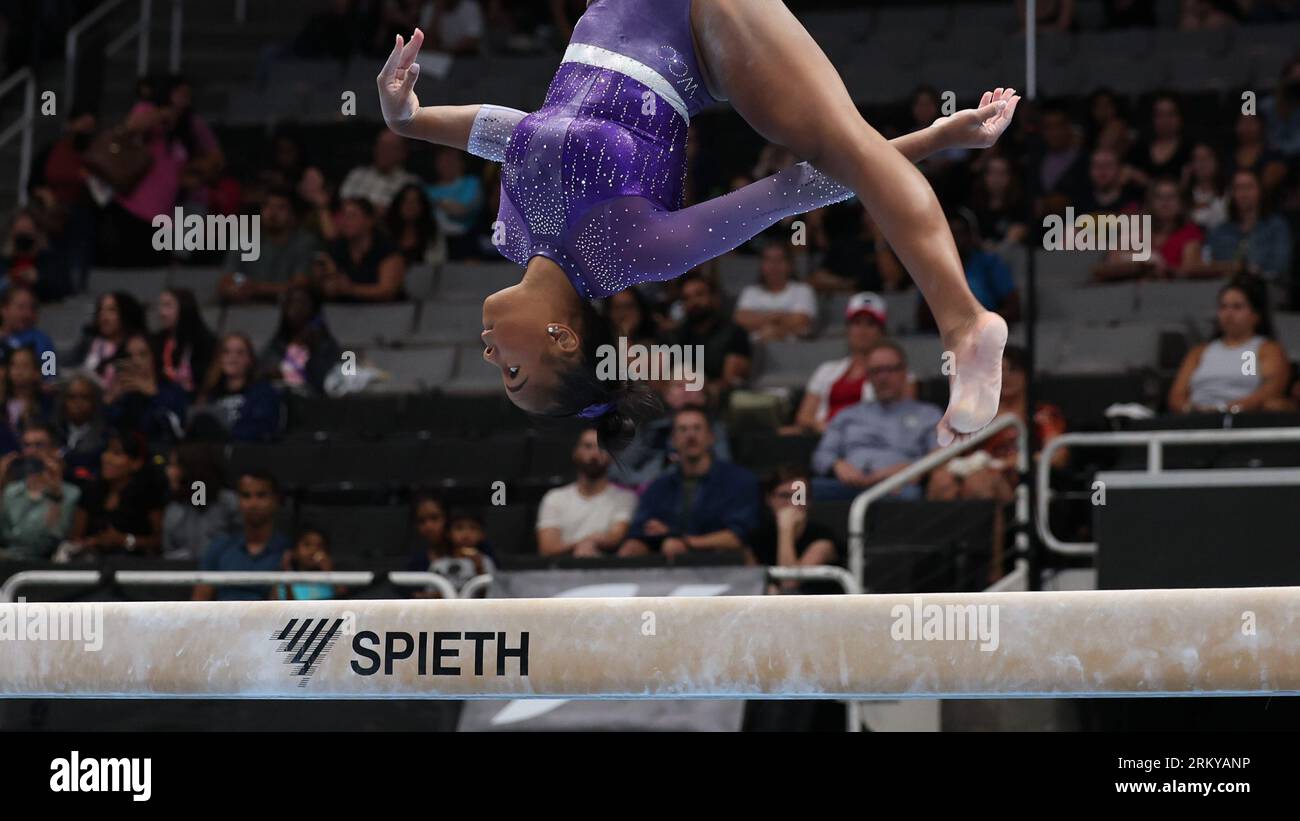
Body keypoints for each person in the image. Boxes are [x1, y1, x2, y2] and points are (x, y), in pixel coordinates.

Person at [377, 11, 1019, 451]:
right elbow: (794, 190)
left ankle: (966, 327)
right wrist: (935, 138)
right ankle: (965, 325)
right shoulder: (629, 255)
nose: (490, 356)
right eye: (511, 373)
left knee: (848, 147)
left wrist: (410, 118)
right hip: (701, 27)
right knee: (840, 145)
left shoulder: (514, 235)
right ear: (562, 339)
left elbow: (507, 131)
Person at [810, 340, 943, 501]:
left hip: (897, 484)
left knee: (909, 495)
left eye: (890, 369)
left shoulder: (928, 414)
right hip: (847, 485)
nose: (883, 377)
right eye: (876, 371)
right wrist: (837, 465)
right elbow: (821, 455)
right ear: (868, 376)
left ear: (904, 372)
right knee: (801, 493)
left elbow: (939, 455)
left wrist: (910, 469)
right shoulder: (848, 415)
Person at [618, 407, 759, 558]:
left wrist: (682, 541)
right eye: (683, 429)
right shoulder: (659, 487)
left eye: (697, 428)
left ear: (711, 437)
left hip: (725, 566)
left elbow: (737, 536)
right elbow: (641, 530)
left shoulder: (739, 481)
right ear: (673, 440)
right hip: (670, 570)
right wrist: (635, 546)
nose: (690, 435)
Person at [790, 292, 916, 435]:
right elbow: (804, 416)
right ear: (847, 329)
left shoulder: (898, 373)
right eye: (856, 323)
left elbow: (905, 415)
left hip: (872, 440)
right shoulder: (826, 370)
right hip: (824, 438)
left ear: (882, 332)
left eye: (871, 324)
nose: (863, 330)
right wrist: (823, 427)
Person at [1167, 277, 1296, 414]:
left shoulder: (1266, 350)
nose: (1228, 314)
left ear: (1256, 315)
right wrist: (1191, 409)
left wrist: (1230, 408)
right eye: (1223, 307)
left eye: (1237, 307)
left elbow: (1271, 390)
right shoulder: (1199, 352)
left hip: (1243, 419)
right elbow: (1177, 395)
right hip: (1198, 418)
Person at [536, 428, 637, 557]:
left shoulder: (625, 498)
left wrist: (589, 544)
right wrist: (583, 544)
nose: (594, 454)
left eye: (601, 448)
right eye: (587, 446)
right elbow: (548, 548)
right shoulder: (554, 498)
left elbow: (615, 537)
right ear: (575, 452)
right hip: (562, 571)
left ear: (612, 457)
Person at [193, 470, 290, 601]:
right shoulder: (219, 547)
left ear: (276, 500)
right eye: (246, 496)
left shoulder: (289, 550)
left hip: (269, 619)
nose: (253, 504)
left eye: (261, 495)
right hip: (222, 619)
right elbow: (199, 602)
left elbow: (292, 609)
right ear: (238, 501)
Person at [70, 430, 165, 557]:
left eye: (117, 453)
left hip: (136, 565)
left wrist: (124, 540)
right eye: (107, 451)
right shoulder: (91, 490)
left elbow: (159, 542)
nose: (107, 458)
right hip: (92, 563)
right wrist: (91, 543)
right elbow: (75, 538)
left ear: (136, 463)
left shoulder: (149, 494)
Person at [217, 187, 319, 303]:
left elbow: (300, 285)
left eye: (281, 208)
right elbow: (227, 280)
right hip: (246, 307)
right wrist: (237, 284)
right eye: (267, 206)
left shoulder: (304, 242)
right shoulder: (245, 239)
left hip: (286, 309)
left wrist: (257, 288)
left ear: (293, 215)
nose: (272, 213)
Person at [1094, 179, 1205, 281]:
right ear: (1151, 202)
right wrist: (1146, 261)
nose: (1165, 202)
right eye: (1159, 197)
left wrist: (1162, 268)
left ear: (1181, 203)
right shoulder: (1137, 228)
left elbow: (1189, 269)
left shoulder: (1189, 232)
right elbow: (1112, 262)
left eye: (1171, 197)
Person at [1194, 169, 1293, 285]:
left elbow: (1280, 266)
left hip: (1266, 289)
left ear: (1260, 191)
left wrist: (1248, 270)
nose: (1244, 193)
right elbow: (1205, 264)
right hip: (1222, 290)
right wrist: (1230, 268)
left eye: (1249, 187)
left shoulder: (1276, 226)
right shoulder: (1219, 231)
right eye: (1238, 188)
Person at [748, 466, 838, 592]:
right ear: (769, 499)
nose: (792, 503)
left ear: (809, 500)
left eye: (799, 496)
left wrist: (786, 529)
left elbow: (789, 583)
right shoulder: (758, 537)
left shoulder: (823, 537)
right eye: (784, 495)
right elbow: (753, 585)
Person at [0, 423, 80, 560]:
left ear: (54, 450)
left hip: (42, 567)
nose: (32, 451)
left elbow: (52, 539)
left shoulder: (70, 493)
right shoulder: (10, 490)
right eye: (27, 445)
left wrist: (55, 494)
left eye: (39, 445)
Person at [192, 333, 284, 442]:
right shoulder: (209, 393)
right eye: (226, 352)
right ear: (219, 358)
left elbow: (262, 429)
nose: (233, 357)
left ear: (250, 359)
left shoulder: (263, 393)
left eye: (240, 353)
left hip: (246, 451)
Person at [313, 197, 407, 302]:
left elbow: (388, 291)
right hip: (343, 311)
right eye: (343, 215)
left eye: (352, 216)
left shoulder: (387, 249)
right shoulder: (337, 247)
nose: (345, 221)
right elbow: (329, 285)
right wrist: (323, 282)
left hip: (384, 312)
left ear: (369, 221)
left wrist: (352, 289)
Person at [102, 333, 190, 443]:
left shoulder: (173, 391)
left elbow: (178, 433)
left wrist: (154, 395)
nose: (135, 362)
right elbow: (107, 434)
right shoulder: (124, 394)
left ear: (154, 357)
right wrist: (108, 402)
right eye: (129, 356)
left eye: (143, 355)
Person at [161, 442, 240, 560]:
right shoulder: (174, 510)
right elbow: (169, 552)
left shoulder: (229, 502)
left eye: (174, 465)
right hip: (185, 575)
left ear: (191, 468)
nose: (168, 472)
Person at [259, 285, 343, 395]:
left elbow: (332, 379)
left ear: (313, 308)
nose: (297, 308)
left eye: (302, 303)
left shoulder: (325, 345)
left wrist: (310, 350)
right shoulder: (277, 343)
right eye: (292, 303)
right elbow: (265, 371)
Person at [733, 241, 818, 341]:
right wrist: (779, 317)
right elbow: (740, 319)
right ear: (761, 265)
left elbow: (800, 321)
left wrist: (762, 322)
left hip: (794, 350)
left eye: (779, 260)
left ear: (790, 265)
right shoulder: (750, 292)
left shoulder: (803, 290)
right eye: (768, 260)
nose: (774, 265)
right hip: (753, 351)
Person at [71, 292, 148, 392]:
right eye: (101, 310)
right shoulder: (89, 340)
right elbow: (70, 364)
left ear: (125, 313)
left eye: (111, 310)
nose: (104, 316)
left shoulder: (136, 347)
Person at [151, 288, 217, 397]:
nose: (161, 313)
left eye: (168, 306)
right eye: (161, 306)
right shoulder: (157, 340)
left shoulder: (204, 341)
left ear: (184, 307)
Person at [338, 130, 419, 215]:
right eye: (380, 145)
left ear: (403, 153)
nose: (383, 151)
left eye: (390, 147)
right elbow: (343, 203)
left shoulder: (410, 183)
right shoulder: (356, 175)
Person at [425, 147, 483, 260]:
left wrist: (439, 204)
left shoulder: (472, 183)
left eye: (452, 159)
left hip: (467, 239)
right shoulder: (428, 190)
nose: (448, 163)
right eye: (443, 159)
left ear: (462, 163)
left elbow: (465, 210)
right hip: (435, 240)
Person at [274, 525, 339, 600]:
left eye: (319, 546)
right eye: (307, 545)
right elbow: (288, 608)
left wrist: (329, 571)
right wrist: (287, 574)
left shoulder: (329, 580)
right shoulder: (283, 581)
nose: (312, 551)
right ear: (294, 551)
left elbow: (343, 596)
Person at [386, 182, 442, 264]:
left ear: (423, 206)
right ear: (398, 205)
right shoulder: (385, 232)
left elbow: (437, 265)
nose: (410, 206)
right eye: (406, 201)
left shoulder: (433, 233)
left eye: (415, 201)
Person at [0, 285, 56, 366]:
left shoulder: (43, 341)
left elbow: (50, 376)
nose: (27, 314)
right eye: (21, 307)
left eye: (32, 308)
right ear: (4, 309)